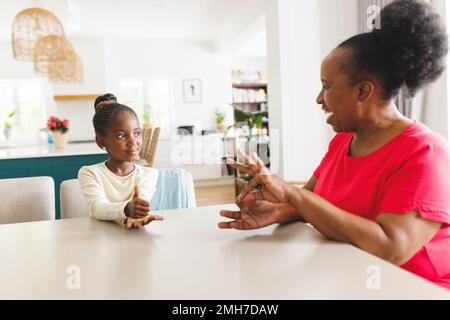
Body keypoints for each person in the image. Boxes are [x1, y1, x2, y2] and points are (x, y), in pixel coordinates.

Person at [220, 0, 450, 289]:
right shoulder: (343, 141)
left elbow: (390, 247)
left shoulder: (426, 152)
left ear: (363, 91)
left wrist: (293, 195)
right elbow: (311, 204)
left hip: (416, 289)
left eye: (327, 86)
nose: (319, 98)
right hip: (350, 280)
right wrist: (280, 209)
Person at [78, 93, 163, 229]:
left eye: (136, 133)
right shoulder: (89, 173)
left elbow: (140, 204)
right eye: (121, 135)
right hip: (100, 241)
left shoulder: (150, 174)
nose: (133, 141)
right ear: (101, 141)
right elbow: (98, 208)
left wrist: (137, 213)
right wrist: (127, 209)